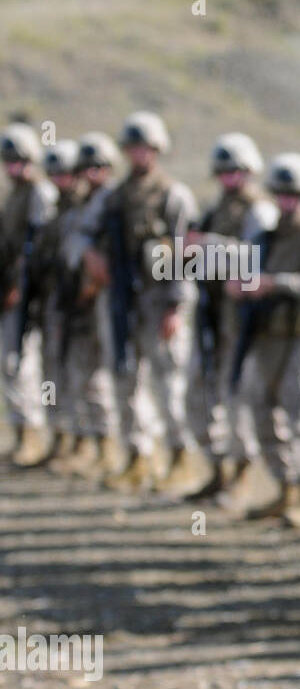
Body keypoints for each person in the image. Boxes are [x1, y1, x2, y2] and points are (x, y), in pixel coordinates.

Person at [88, 111, 200, 494]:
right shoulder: (114, 198)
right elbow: (85, 234)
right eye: (133, 148)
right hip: (123, 301)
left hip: (159, 301)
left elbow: (187, 253)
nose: (139, 155)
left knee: (169, 383)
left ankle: (180, 457)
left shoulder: (173, 194)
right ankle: (138, 457)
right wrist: (91, 257)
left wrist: (175, 307)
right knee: (125, 379)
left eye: (145, 148)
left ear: (156, 151)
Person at [229, 153, 300, 530]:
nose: (288, 203)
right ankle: (285, 485)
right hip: (264, 337)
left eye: (295, 196)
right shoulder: (263, 238)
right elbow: (241, 272)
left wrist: (274, 283)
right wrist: (240, 287)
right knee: (261, 413)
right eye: (282, 196)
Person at [185, 133, 278, 504]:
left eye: (237, 172)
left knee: (237, 397)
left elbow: (258, 260)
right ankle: (218, 469)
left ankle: (238, 474)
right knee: (200, 392)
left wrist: (210, 245)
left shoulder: (260, 212)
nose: (230, 179)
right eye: (224, 172)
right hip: (213, 314)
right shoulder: (215, 209)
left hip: (244, 321)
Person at [56, 132, 123, 480]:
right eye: (87, 168)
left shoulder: (115, 201)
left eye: (100, 167)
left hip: (111, 299)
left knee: (114, 375)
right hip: (83, 301)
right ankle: (97, 446)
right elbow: (72, 246)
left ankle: (118, 451)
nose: (93, 174)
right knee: (86, 374)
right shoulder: (80, 206)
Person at [0, 122, 57, 466]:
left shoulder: (39, 194)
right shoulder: (15, 195)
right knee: (11, 363)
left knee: (24, 363)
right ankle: (21, 434)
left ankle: (32, 435)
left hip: (30, 294)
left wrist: (21, 287)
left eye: (18, 160)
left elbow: (35, 247)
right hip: (12, 290)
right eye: (8, 161)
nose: (13, 168)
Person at [26, 140, 85, 469]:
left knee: (77, 373)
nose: (60, 179)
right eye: (54, 174)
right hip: (52, 305)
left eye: (65, 173)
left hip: (77, 307)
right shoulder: (54, 214)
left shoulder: (84, 212)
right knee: (51, 373)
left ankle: (81, 441)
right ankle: (58, 438)